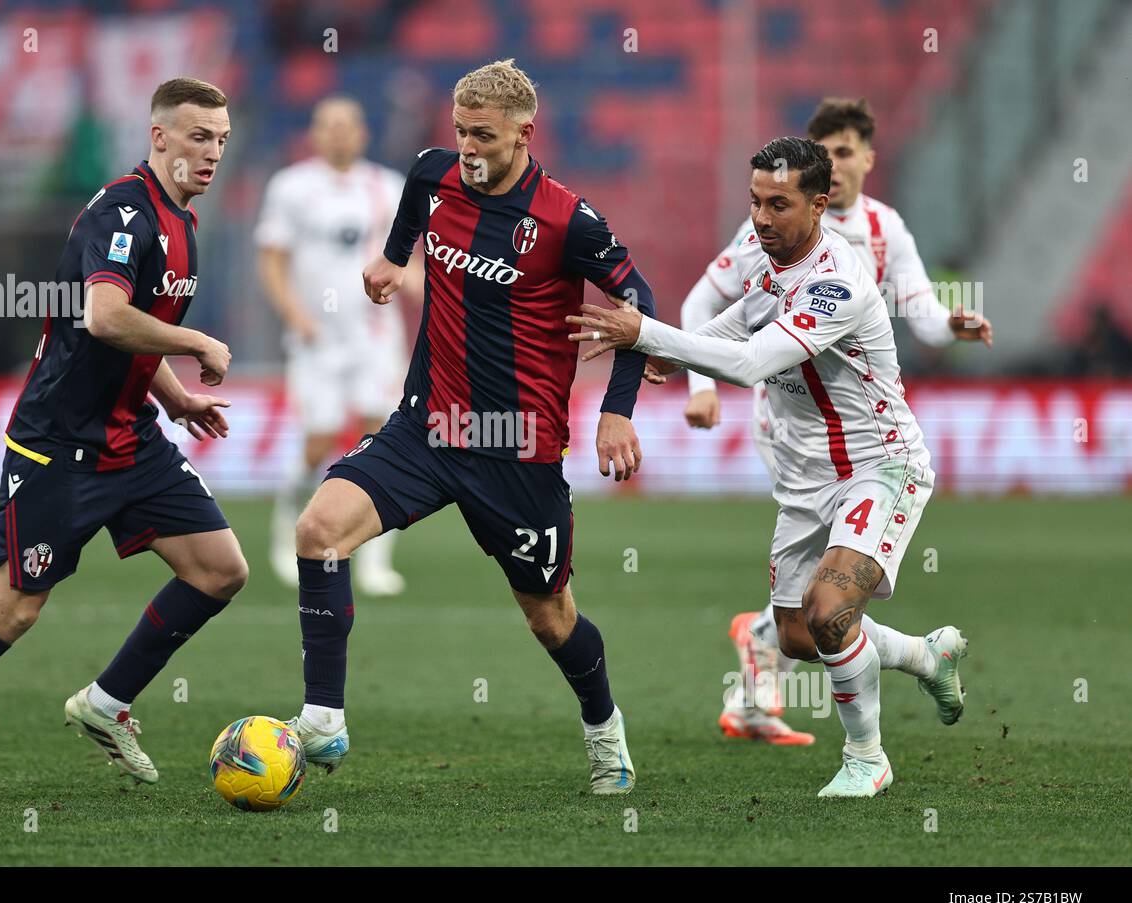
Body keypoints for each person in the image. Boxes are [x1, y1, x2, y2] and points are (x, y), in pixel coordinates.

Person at [0, 77, 247, 800]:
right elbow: (104, 317)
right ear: (160, 136)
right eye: (199, 137)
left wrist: (177, 397)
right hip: (59, 446)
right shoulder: (124, 211)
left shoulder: (183, 222)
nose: (213, 153)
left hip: (131, 438)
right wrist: (196, 340)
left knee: (219, 569)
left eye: (223, 141)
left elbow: (127, 337)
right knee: (14, 606)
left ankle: (106, 703)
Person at [285, 59, 653, 795]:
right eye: (461, 133)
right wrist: (393, 263)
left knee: (550, 618)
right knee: (317, 531)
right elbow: (413, 211)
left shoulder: (567, 220)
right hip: (426, 426)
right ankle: (323, 717)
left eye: (484, 136)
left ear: (525, 132)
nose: (470, 150)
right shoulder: (433, 173)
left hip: (517, 449)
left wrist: (616, 410)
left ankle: (603, 729)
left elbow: (638, 305)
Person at [569, 137, 969, 797]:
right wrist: (680, 355)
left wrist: (644, 333)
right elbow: (738, 325)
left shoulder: (837, 277)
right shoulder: (763, 257)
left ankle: (867, 760)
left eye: (778, 204)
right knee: (797, 635)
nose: (760, 217)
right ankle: (925, 655)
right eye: (755, 201)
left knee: (829, 606)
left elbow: (755, 362)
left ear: (819, 203)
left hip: (880, 463)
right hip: (808, 477)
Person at [679, 99, 991, 745]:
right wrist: (697, 381)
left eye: (848, 152)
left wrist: (948, 325)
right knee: (818, 606)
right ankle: (778, 652)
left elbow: (921, 308)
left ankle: (768, 656)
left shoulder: (881, 230)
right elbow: (714, 306)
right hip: (790, 431)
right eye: (831, 152)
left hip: (863, 431)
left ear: (866, 160)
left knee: (821, 604)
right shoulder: (766, 230)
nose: (841, 165)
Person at [255, 95, 423, 596]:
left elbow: (410, 260)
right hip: (316, 338)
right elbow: (272, 259)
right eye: (327, 125)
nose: (338, 134)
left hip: (374, 336)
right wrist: (295, 315)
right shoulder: (291, 187)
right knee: (319, 439)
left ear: (363, 133)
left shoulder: (388, 188)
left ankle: (373, 555)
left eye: (347, 125)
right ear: (314, 132)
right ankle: (289, 533)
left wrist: (418, 283)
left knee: (381, 441)